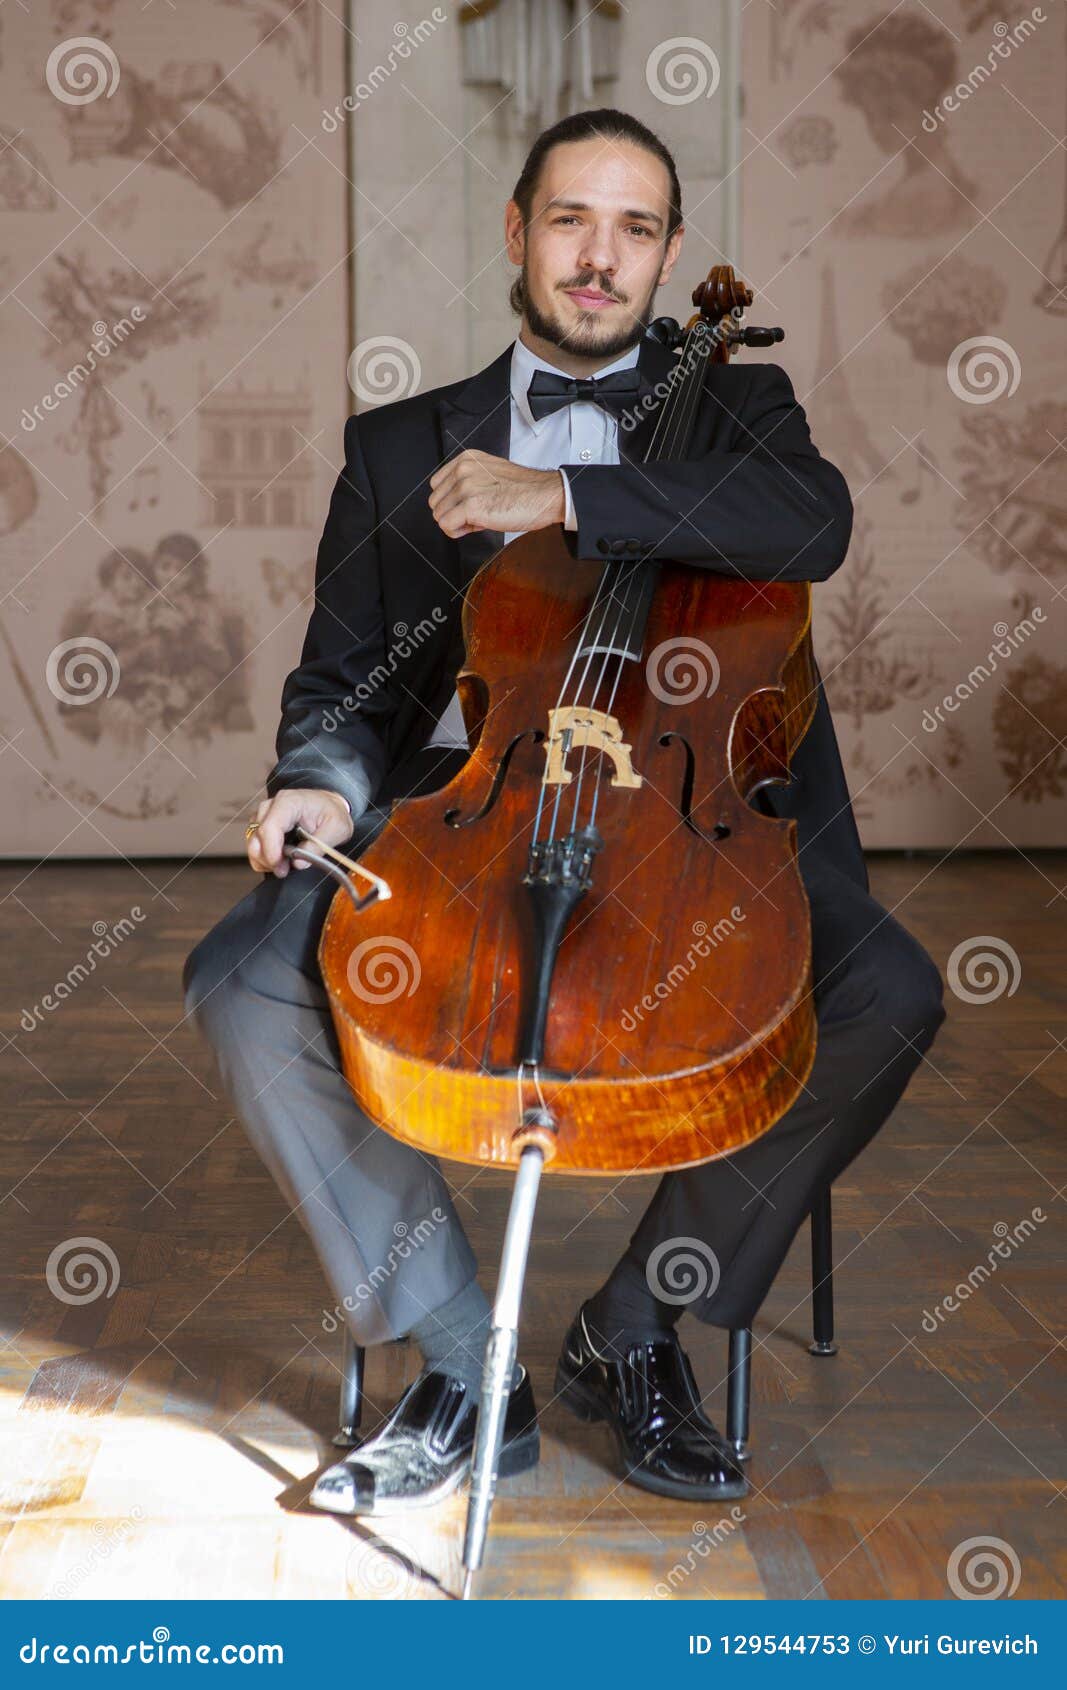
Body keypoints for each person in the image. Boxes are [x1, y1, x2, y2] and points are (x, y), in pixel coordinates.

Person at [183, 108, 946, 1518]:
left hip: (694, 830)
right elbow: (344, 675)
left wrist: (565, 492)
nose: (600, 258)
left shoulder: (738, 413)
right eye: (571, 221)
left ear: (667, 257)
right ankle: (464, 1358)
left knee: (886, 994)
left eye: (635, 229)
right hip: (460, 821)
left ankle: (635, 1324)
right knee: (239, 980)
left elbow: (813, 523)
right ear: (518, 234)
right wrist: (318, 781)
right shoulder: (397, 444)